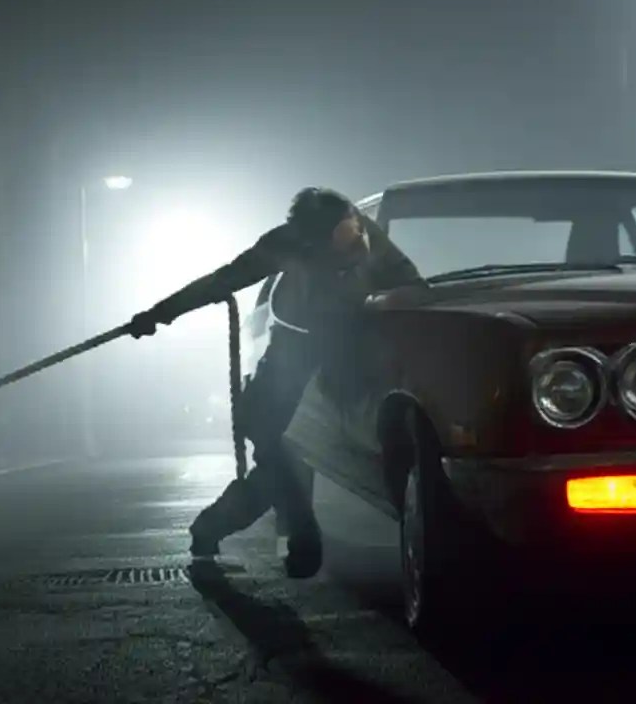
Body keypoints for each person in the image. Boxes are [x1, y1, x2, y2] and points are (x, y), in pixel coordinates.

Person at [129, 187, 421, 578]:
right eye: (342, 232)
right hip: (288, 361)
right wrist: (159, 313)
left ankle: (218, 529)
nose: (355, 237)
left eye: (352, 226)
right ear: (312, 240)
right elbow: (223, 280)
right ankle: (264, 531)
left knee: (281, 472)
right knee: (278, 462)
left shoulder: (369, 238)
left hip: (341, 363)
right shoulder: (285, 245)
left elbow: (415, 289)